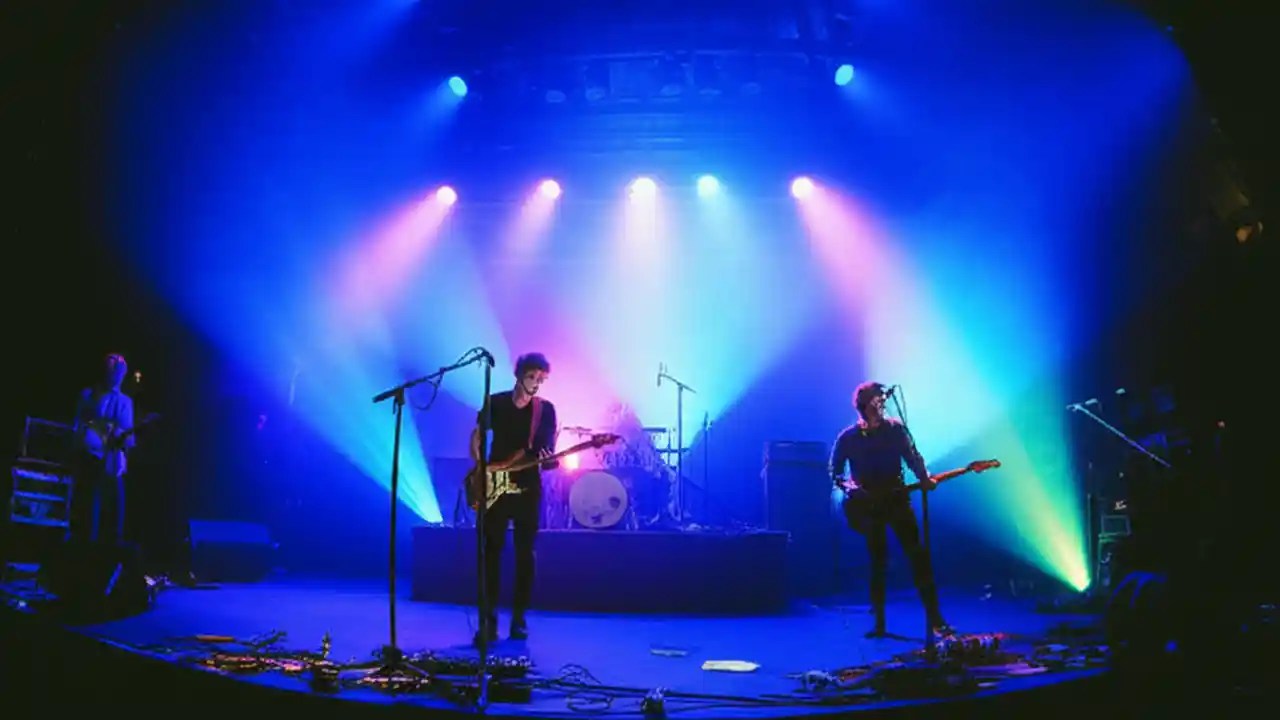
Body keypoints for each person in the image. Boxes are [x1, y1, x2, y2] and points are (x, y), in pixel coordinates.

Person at [829, 381, 950, 638]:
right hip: (868, 504)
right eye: (876, 399)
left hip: (897, 500)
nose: (881, 403)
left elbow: (912, 456)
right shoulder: (848, 438)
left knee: (918, 557)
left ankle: (936, 619)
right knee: (878, 562)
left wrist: (924, 477)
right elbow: (835, 471)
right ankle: (880, 623)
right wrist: (850, 487)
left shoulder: (895, 430)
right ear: (864, 405)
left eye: (881, 399)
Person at [470, 352, 558, 643]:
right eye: (532, 376)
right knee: (491, 551)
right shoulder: (495, 402)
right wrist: (480, 466)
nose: (535, 384)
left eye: (541, 379)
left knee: (525, 555)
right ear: (519, 375)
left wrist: (546, 459)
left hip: (526, 486)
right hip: (494, 482)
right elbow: (478, 436)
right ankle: (489, 620)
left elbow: (545, 449)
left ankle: (519, 619)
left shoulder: (545, 410)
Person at [70, 353, 135, 546]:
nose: (114, 374)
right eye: (111, 369)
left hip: (112, 460)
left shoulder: (125, 402)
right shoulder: (88, 395)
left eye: (118, 371)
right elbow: (78, 424)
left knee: (114, 504)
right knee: (88, 504)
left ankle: (114, 543)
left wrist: (118, 435)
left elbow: (128, 436)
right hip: (89, 456)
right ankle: (85, 543)